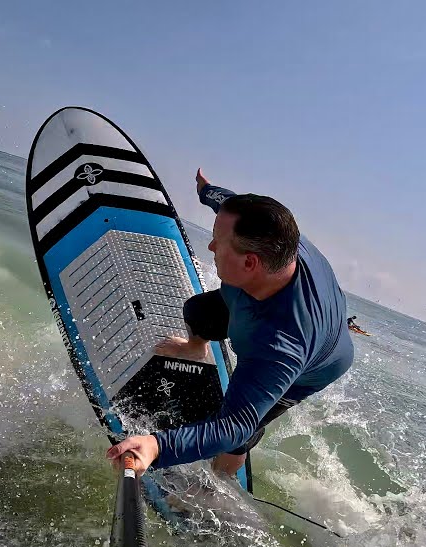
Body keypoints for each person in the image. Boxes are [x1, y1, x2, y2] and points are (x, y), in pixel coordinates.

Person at [106, 168, 354, 476]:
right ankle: (196, 350)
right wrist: (206, 191)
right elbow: (227, 203)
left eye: (217, 242)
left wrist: (157, 446)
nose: (210, 247)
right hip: (269, 300)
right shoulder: (270, 233)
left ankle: (219, 483)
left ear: (249, 262)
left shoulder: (279, 345)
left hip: (317, 363)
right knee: (198, 312)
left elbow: (235, 425)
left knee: (241, 435)